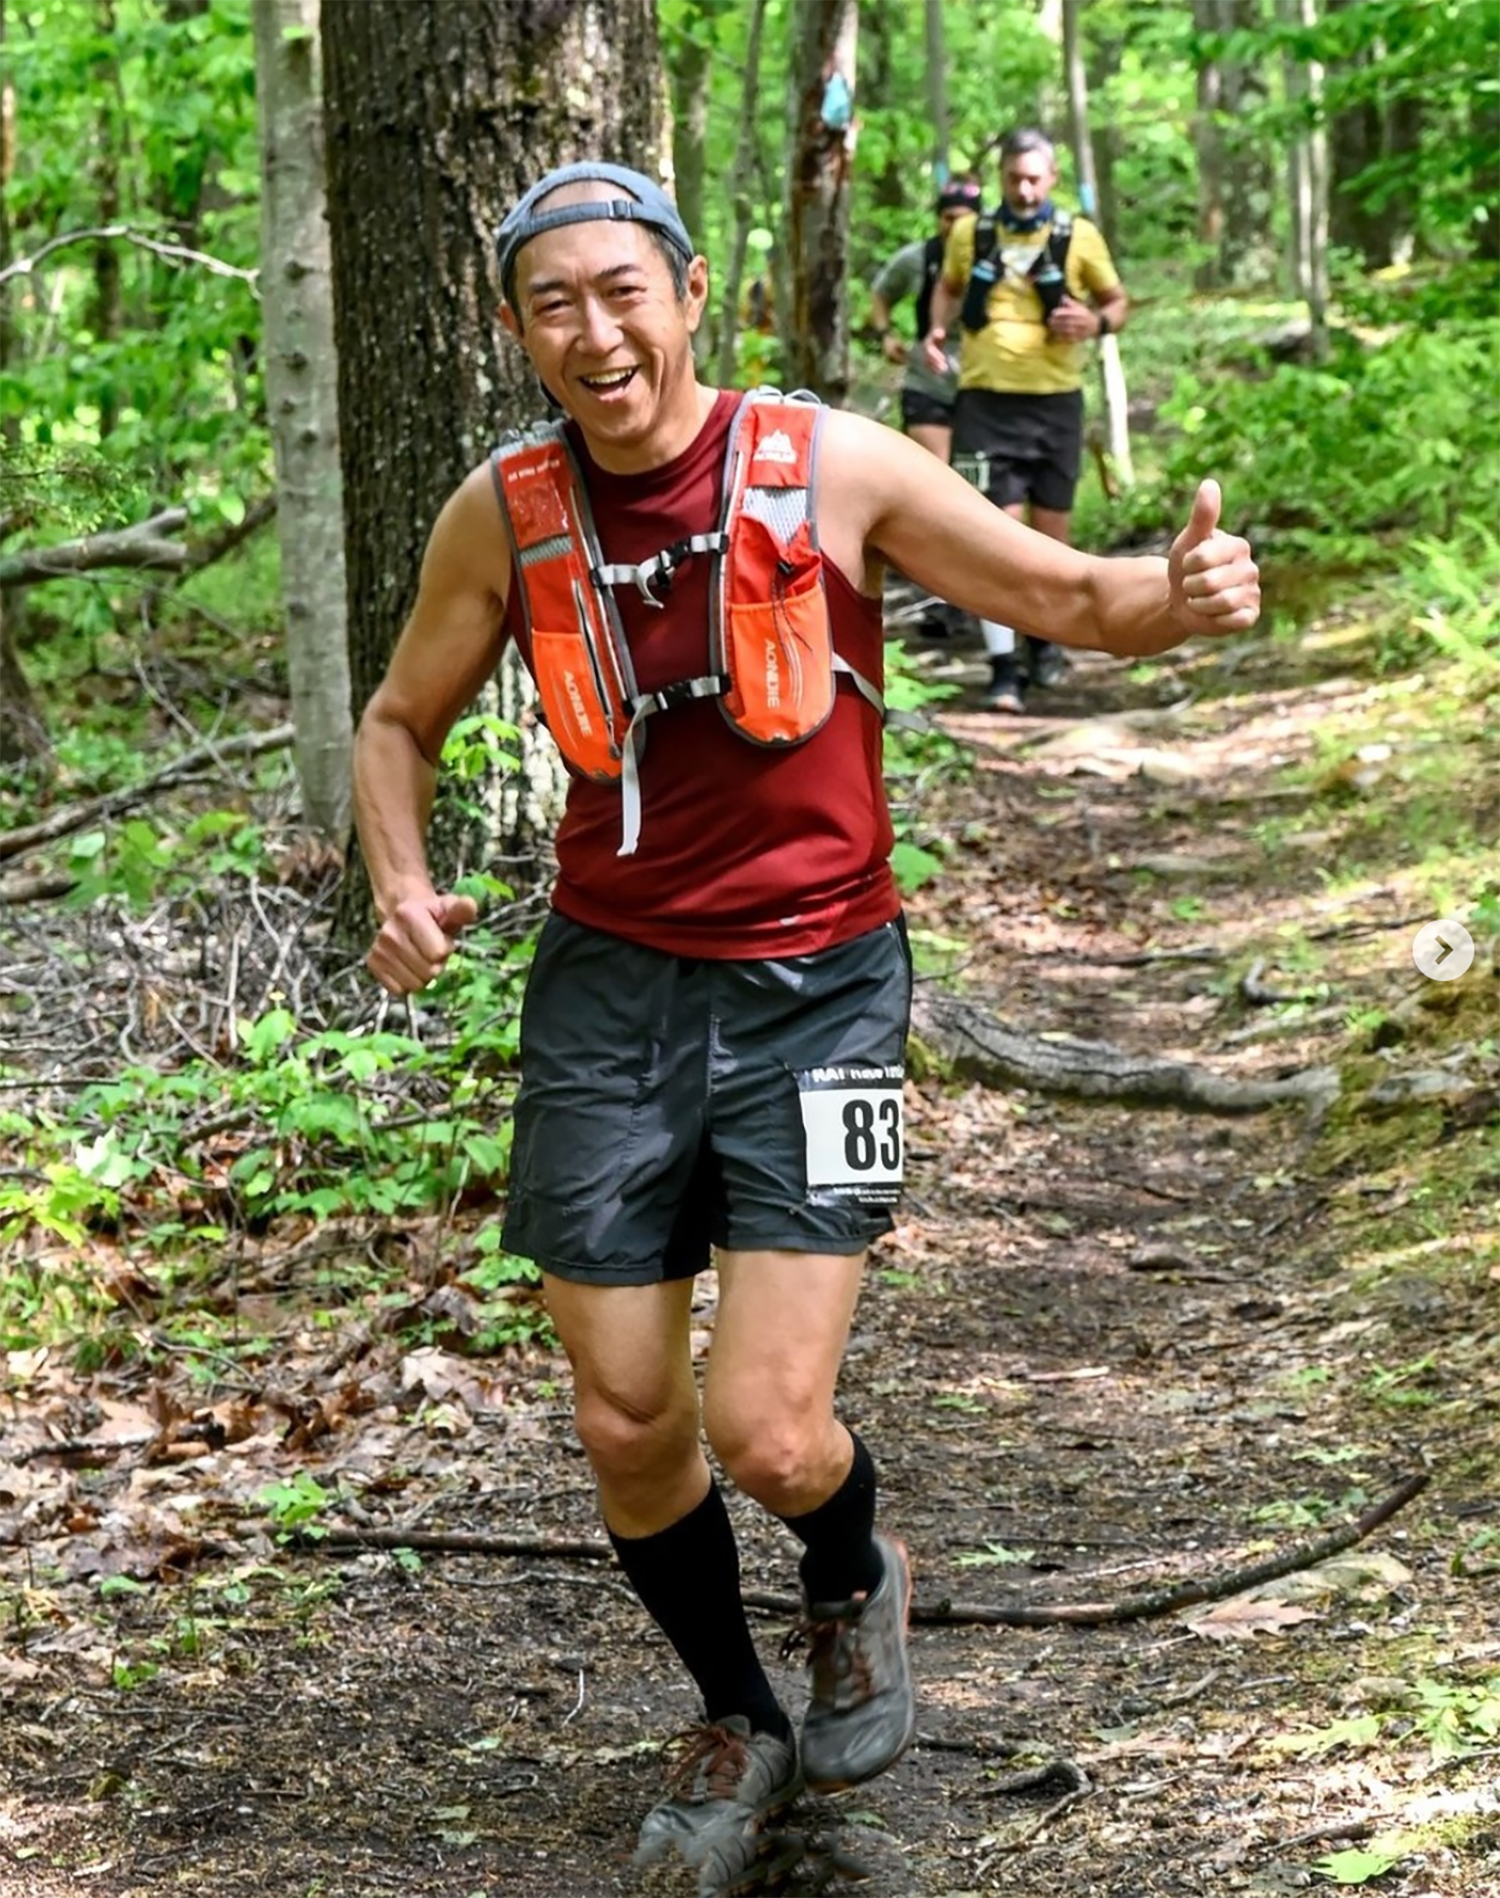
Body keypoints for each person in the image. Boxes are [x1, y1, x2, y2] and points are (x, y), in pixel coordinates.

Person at [353, 161, 1258, 1889]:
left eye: (625, 290)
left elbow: (1064, 598)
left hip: (820, 986)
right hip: (609, 985)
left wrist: (1178, 595)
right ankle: (736, 1713)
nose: (596, 332)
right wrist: (399, 878)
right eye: (555, 302)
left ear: (691, 293)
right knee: (625, 1409)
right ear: (514, 328)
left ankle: (851, 1565)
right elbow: (398, 719)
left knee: (767, 1424)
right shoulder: (506, 507)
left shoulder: (825, 459)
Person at [924, 126, 1129, 713]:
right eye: (1014, 178)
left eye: (1034, 178)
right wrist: (937, 329)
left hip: (1056, 401)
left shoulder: (1078, 236)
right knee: (995, 537)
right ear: (1000, 178)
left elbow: (1118, 302)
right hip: (985, 401)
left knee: (1051, 535)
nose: (1024, 189)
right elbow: (948, 288)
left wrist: (1096, 324)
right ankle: (1002, 667)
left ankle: (1046, 645)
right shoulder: (971, 232)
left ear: (1053, 177)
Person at [868, 175, 982, 638]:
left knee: (976, 490)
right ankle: (935, 597)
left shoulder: (991, 255)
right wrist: (886, 334)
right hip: (926, 381)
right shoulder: (917, 259)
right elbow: (881, 294)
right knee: (933, 485)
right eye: (948, 218)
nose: (955, 227)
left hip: (982, 385)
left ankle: (975, 596)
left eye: (965, 219)